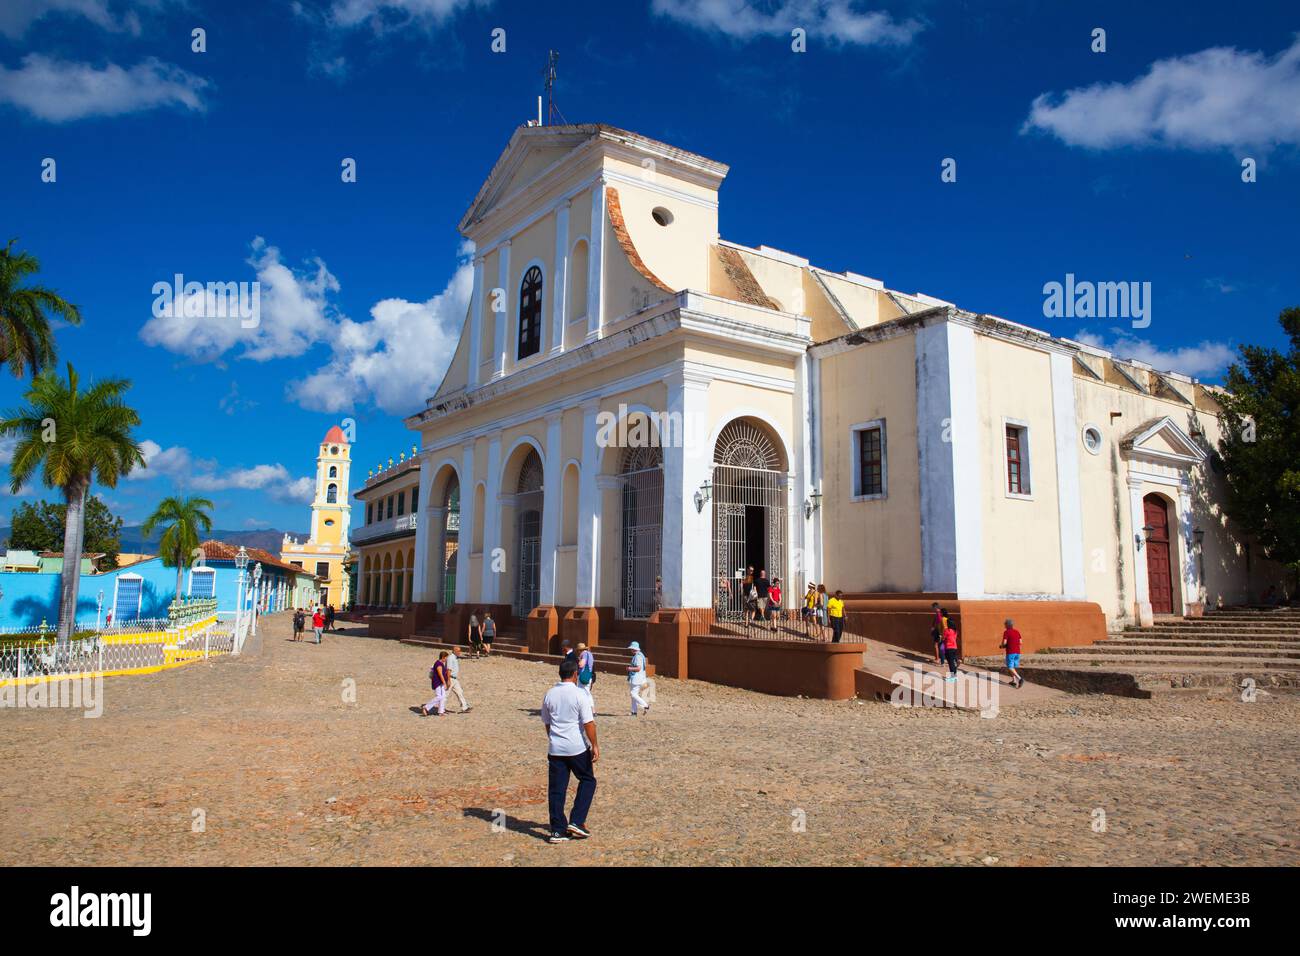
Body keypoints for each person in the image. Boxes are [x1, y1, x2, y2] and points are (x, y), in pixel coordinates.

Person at [540, 659, 598, 843]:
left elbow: (547, 723)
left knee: (557, 789)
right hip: (576, 747)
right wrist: (595, 744)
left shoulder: (549, 694)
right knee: (588, 780)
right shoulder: (580, 694)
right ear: (575, 675)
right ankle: (577, 821)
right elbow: (588, 723)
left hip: (556, 748)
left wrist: (554, 739)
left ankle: (557, 831)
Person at [422, 651, 451, 716]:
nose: (447, 659)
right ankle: (426, 707)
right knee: (439, 696)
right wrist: (444, 683)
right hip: (437, 682)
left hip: (440, 682)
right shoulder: (438, 664)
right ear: (443, 657)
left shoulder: (441, 663)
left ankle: (441, 711)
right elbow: (440, 675)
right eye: (446, 658)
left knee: (443, 696)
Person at [627, 640, 651, 716]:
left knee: (633, 694)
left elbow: (638, 668)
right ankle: (634, 712)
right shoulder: (640, 655)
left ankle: (645, 705)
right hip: (637, 678)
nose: (631, 650)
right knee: (634, 695)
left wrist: (630, 669)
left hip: (637, 678)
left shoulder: (638, 657)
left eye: (631, 649)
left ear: (634, 649)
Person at [446, 645, 471, 712]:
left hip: (454, 679)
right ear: (454, 651)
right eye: (458, 651)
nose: (460, 652)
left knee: (460, 692)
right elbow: (448, 670)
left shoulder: (455, 658)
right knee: (446, 694)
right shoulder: (451, 658)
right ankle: (438, 708)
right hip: (450, 678)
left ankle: (464, 707)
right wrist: (448, 680)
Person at [1000, 618, 1024, 689]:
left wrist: (1002, 646)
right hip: (1017, 652)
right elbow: (1021, 642)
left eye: (1005, 624)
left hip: (1011, 652)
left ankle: (1020, 679)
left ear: (1007, 625)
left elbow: (1004, 643)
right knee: (1012, 667)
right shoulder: (1017, 631)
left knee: (1010, 667)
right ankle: (1014, 681)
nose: (1004, 625)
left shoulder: (1006, 632)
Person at [577, 642, 596, 710]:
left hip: (583, 675)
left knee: (584, 692)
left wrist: (579, 661)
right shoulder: (590, 654)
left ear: (579, 650)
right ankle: (590, 709)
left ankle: (591, 709)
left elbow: (581, 664)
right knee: (586, 692)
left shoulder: (584, 654)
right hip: (589, 675)